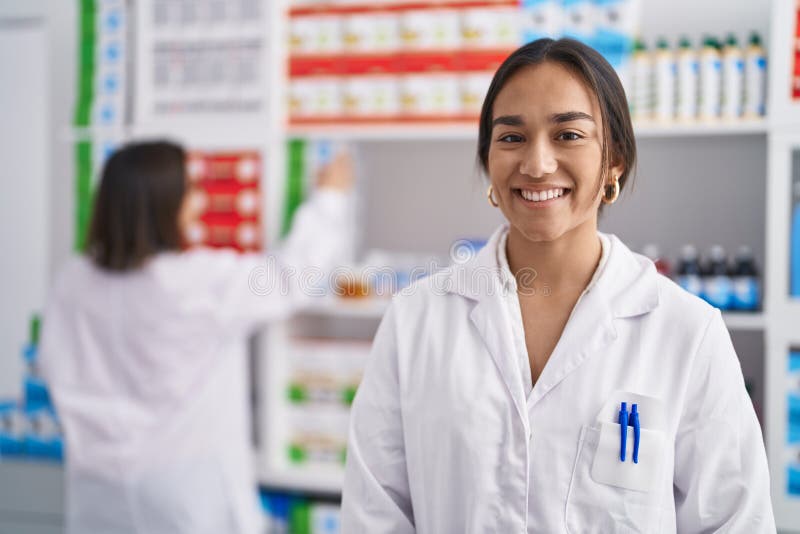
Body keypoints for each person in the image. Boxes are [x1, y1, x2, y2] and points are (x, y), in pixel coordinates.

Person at [341, 38, 775, 533]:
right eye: (511, 138)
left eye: (568, 135)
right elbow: (373, 515)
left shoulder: (685, 331)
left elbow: (734, 521)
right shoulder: (416, 318)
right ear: (487, 161)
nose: (537, 164)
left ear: (615, 160)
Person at [38, 140, 354, 534]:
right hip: (184, 495)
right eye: (190, 189)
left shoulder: (73, 281)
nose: (200, 202)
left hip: (99, 488)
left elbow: (52, 367)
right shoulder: (197, 281)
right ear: (166, 204)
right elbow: (294, 277)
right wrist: (329, 198)